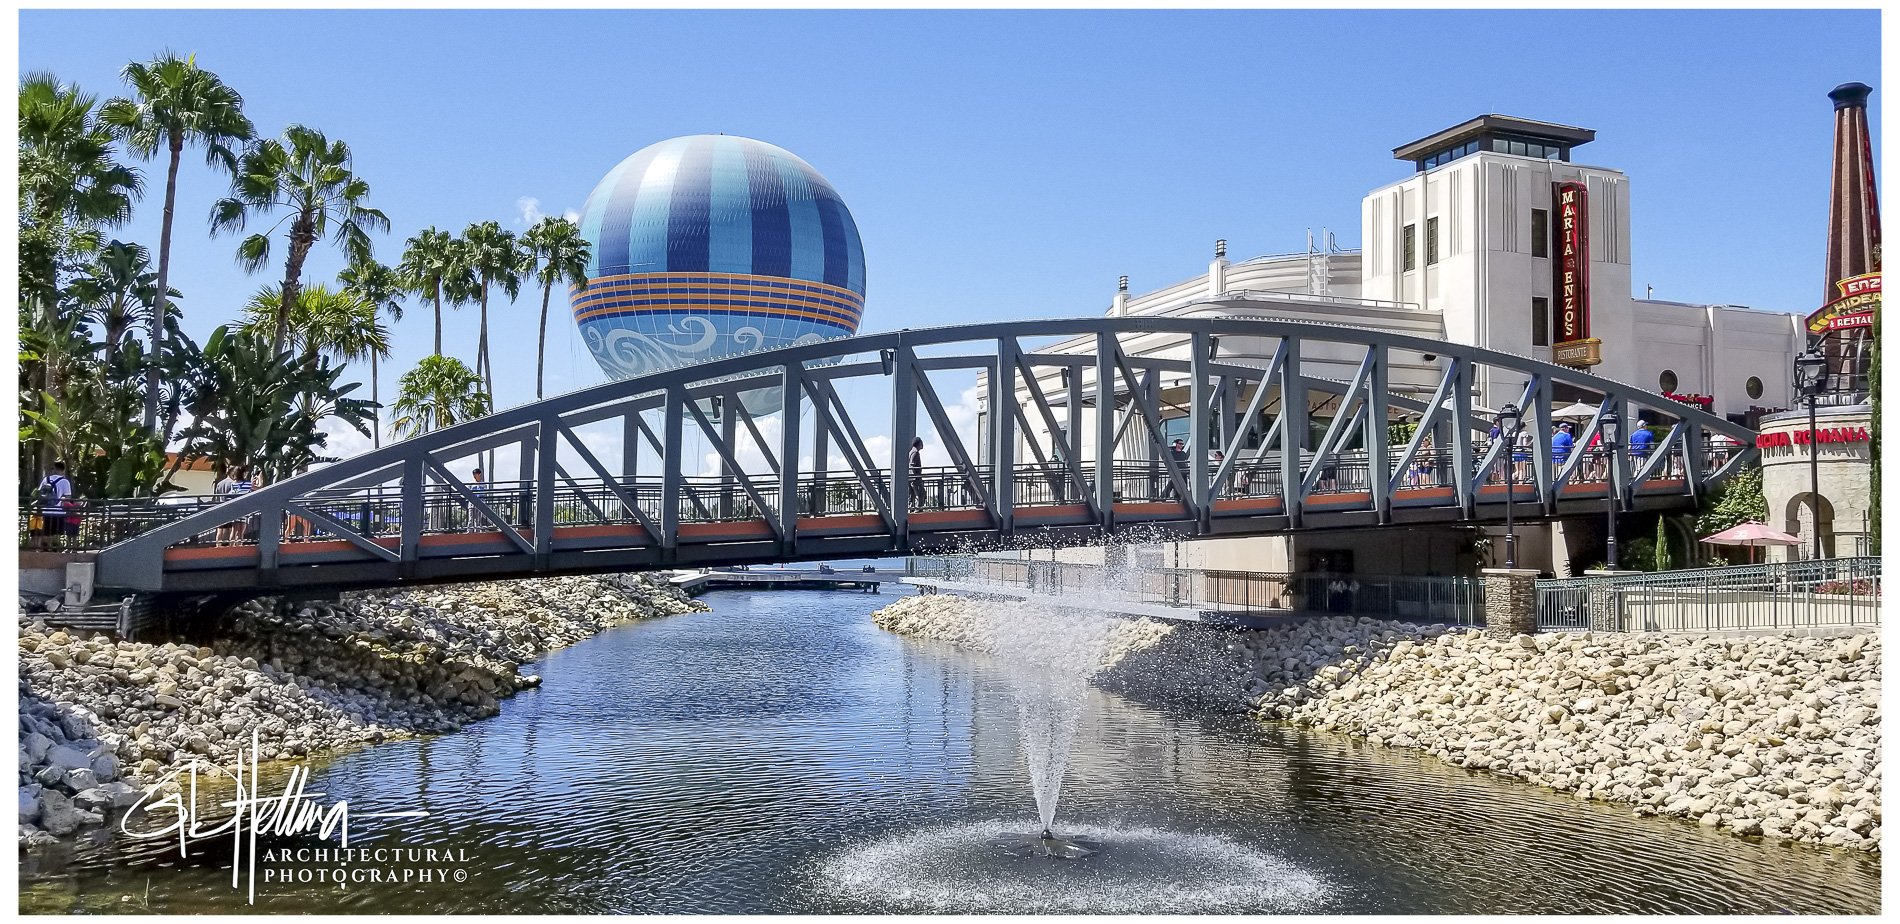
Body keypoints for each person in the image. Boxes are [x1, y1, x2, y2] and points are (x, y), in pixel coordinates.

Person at [33, 461, 72, 551]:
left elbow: (39, 494)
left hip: (46, 510)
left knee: (46, 531)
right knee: (57, 531)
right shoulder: (65, 482)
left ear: (54, 469)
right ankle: (54, 549)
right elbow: (68, 497)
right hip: (59, 510)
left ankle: (45, 548)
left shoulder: (46, 480)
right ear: (63, 470)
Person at [907, 437, 926, 510]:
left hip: (911, 477)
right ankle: (919, 509)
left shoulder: (912, 451)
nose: (922, 444)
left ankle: (911, 508)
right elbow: (912, 465)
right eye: (921, 442)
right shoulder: (915, 452)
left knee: (912, 495)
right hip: (915, 478)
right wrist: (915, 477)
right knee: (921, 493)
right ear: (918, 443)